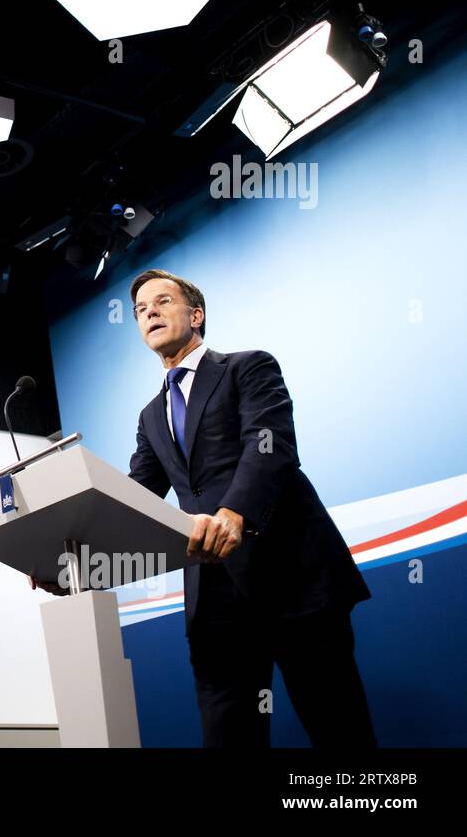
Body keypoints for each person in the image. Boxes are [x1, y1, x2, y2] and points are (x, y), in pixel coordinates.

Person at [32, 268, 376, 747]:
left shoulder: (248, 367)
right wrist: (76, 564)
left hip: (293, 579)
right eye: (139, 310)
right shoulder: (151, 416)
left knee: (339, 728)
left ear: (196, 315)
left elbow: (269, 445)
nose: (148, 312)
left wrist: (234, 514)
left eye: (162, 302)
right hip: (215, 601)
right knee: (228, 738)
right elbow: (137, 499)